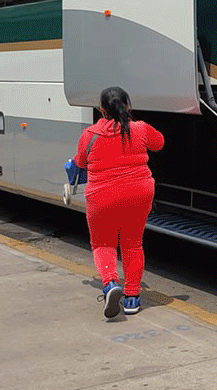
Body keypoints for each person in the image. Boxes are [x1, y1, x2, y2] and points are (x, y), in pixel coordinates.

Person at [73, 86, 164, 318]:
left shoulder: (89, 135)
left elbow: (80, 162)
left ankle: (111, 284)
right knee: (132, 244)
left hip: (102, 196)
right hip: (139, 193)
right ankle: (132, 298)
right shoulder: (140, 128)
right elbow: (159, 143)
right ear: (128, 105)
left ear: (102, 109)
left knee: (103, 244)